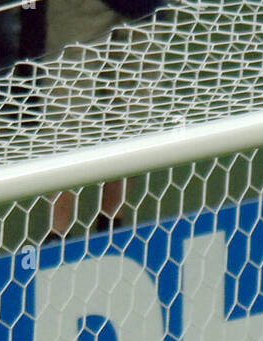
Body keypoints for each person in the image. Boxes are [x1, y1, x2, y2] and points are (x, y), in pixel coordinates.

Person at [40, 0, 169, 239]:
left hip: (145, 8)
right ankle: (56, 235)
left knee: (135, 114)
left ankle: (111, 225)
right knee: (67, 108)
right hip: (80, 8)